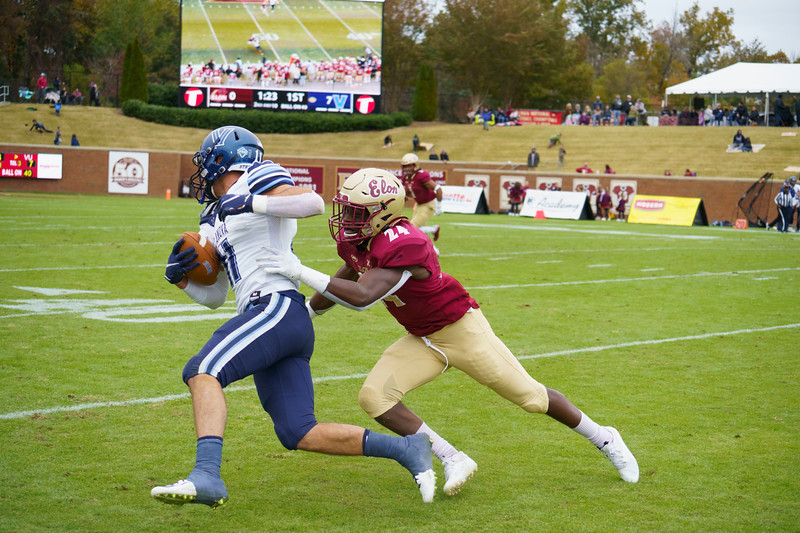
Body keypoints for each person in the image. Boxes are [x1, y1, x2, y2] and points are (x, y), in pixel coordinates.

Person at [245, 168, 639, 498]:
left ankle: (605, 438)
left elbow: (363, 296)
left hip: (462, 331)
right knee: (374, 397)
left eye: (355, 212)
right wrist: (307, 312)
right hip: (422, 338)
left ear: (383, 213)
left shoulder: (407, 242)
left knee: (533, 399)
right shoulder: (361, 238)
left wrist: (295, 270)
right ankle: (452, 457)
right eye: (345, 209)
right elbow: (347, 276)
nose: (346, 219)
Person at [150, 126, 436, 508]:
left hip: (276, 306)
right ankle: (408, 449)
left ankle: (207, 476)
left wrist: (251, 203)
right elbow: (216, 297)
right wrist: (181, 281)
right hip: (271, 316)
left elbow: (312, 203)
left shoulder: (258, 175)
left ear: (225, 160)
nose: (203, 174)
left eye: (206, 163)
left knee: (203, 370)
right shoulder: (211, 214)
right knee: (298, 431)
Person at [400, 153, 442, 250]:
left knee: (412, 228)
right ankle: (434, 251)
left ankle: (434, 229)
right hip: (419, 205)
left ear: (415, 165)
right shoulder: (406, 178)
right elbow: (406, 195)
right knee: (418, 231)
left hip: (428, 204)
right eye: (405, 166)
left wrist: (439, 206)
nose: (406, 169)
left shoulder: (421, 175)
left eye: (409, 166)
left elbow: (438, 188)